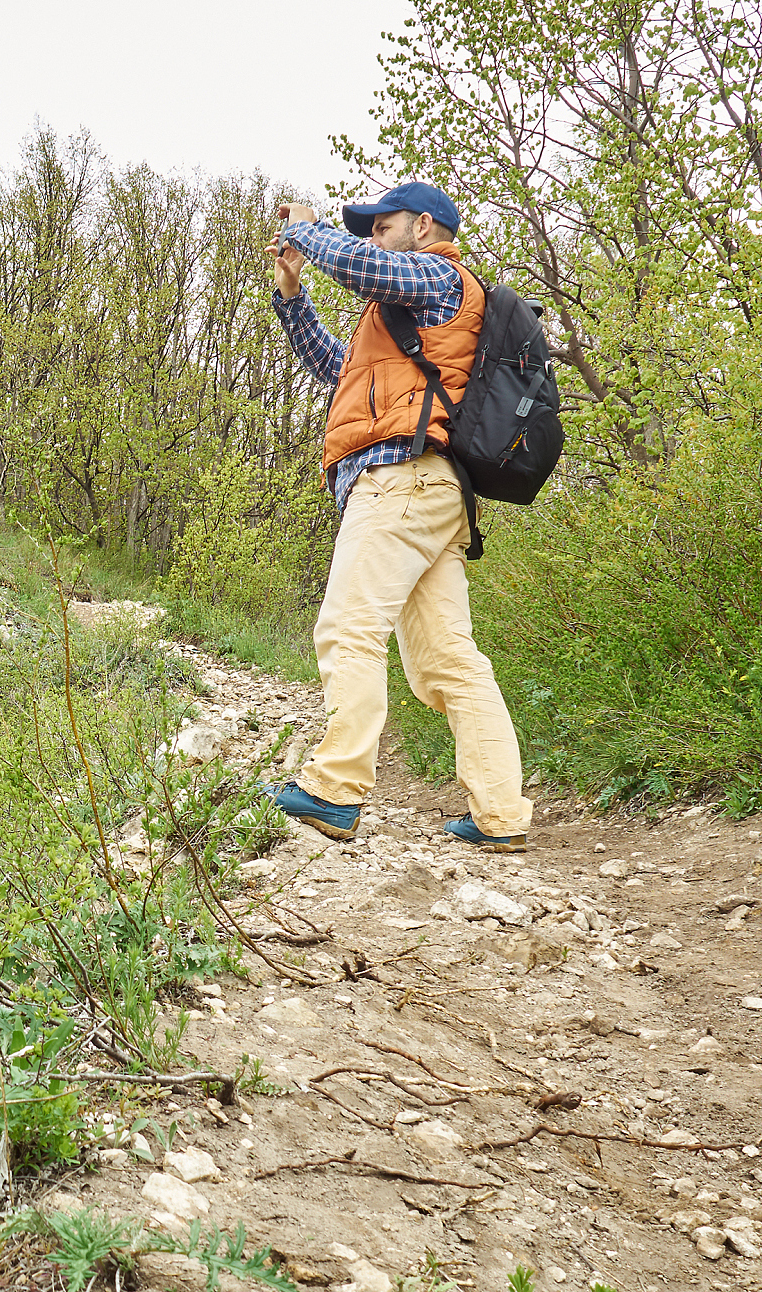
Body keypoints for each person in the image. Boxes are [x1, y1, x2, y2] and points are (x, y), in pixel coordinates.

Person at [261, 181, 530, 853]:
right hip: (431, 491)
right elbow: (338, 369)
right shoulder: (401, 316)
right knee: (448, 662)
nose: (375, 234)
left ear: (426, 226)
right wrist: (292, 294)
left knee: (349, 628)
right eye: (370, 226)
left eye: (385, 223)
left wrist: (313, 231)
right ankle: (501, 814)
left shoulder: (439, 276)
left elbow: (363, 267)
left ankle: (335, 789)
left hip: (400, 482)